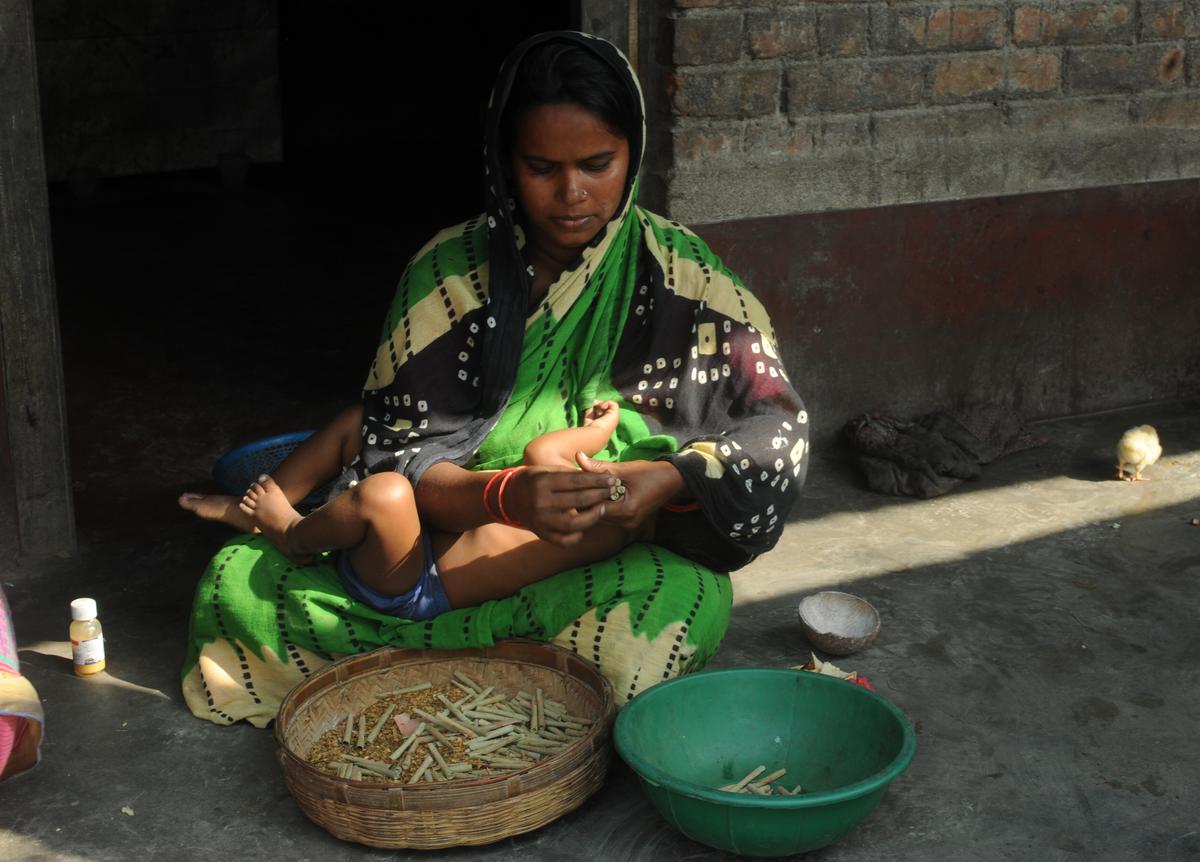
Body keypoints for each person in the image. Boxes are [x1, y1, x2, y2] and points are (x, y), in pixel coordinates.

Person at [180, 32, 809, 725]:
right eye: (542, 166)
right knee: (236, 582)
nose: (572, 194)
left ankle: (420, 670)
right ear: (505, 163)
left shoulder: (686, 278)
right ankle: (509, 683)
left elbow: (776, 432)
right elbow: (392, 463)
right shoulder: (445, 278)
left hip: (582, 561)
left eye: (598, 164)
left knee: (677, 602)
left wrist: (668, 479)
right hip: (428, 544)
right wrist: (509, 495)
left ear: (633, 155)